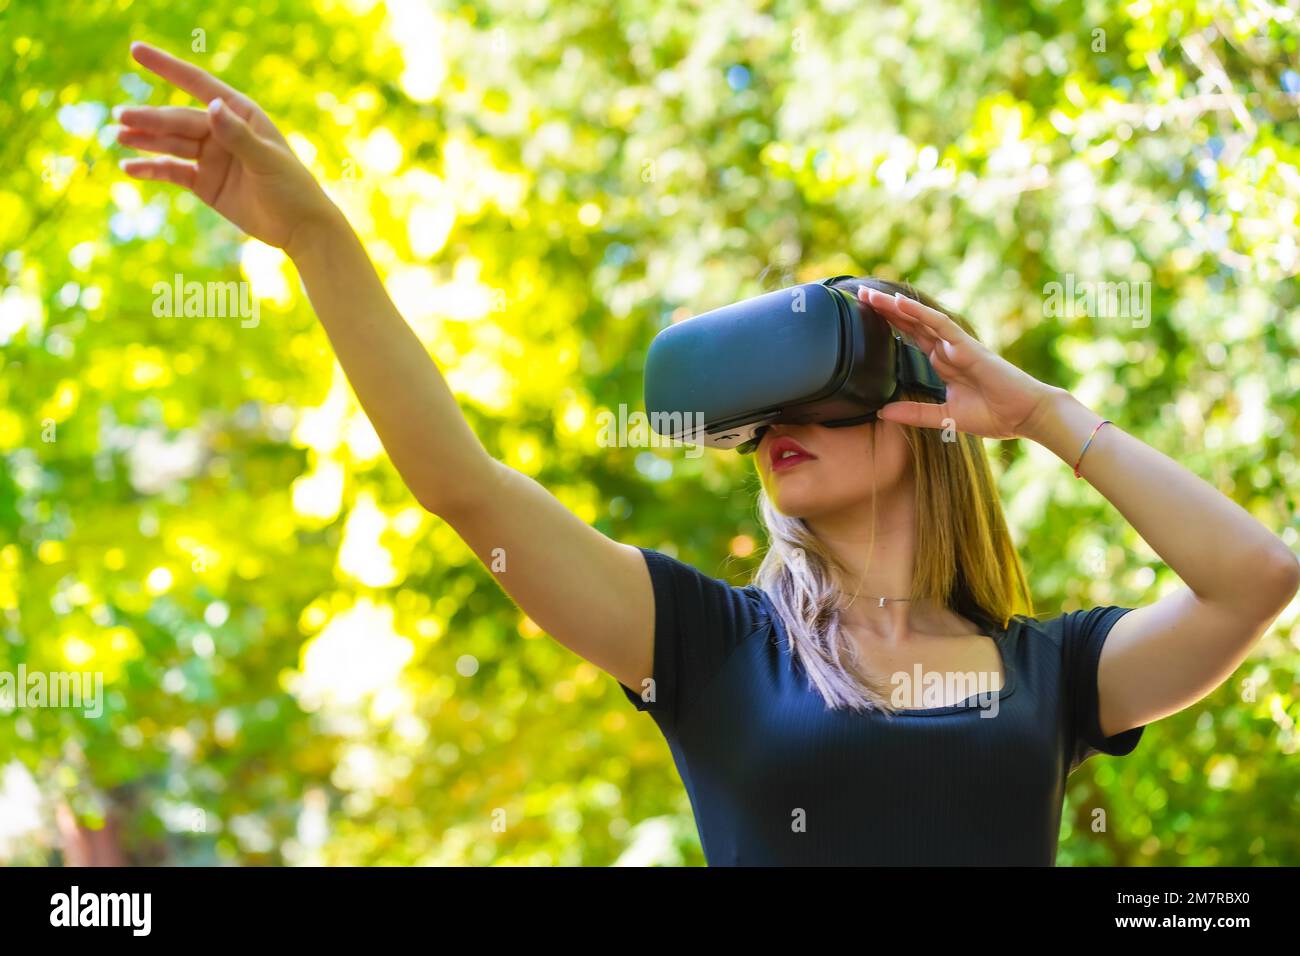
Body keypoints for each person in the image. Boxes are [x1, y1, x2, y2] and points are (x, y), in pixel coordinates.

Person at [115, 42, 1300, 865]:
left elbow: (1254, 579)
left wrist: (1039, 411)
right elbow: (462, 487)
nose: (777, 430)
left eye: (813, 395)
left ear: (923, 405)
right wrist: (319, 237)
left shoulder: (1052, 672)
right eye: (757, 415)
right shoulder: (709, 647)